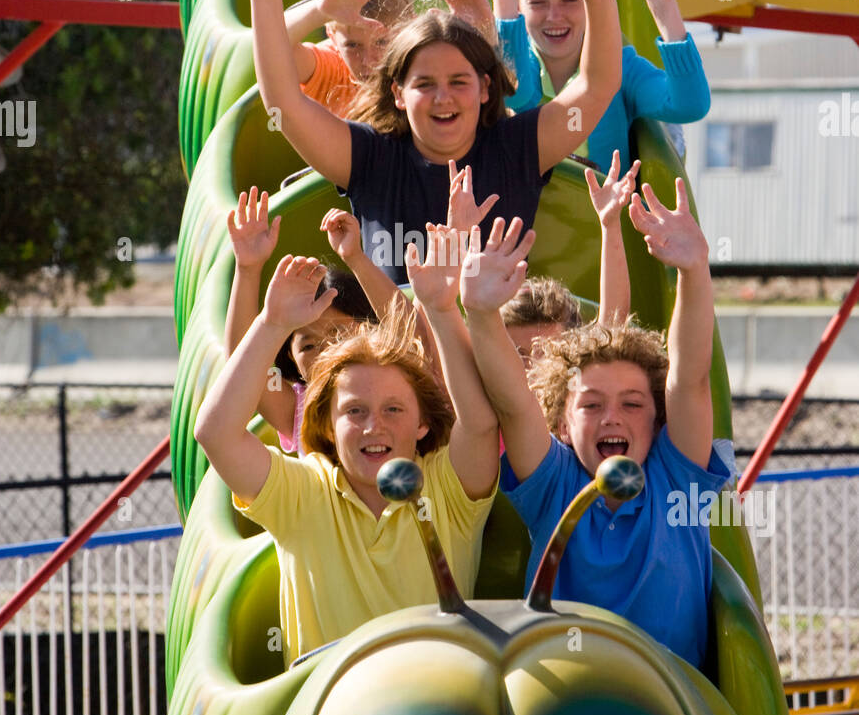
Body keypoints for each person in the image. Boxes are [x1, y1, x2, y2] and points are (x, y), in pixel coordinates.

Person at [217, 0, 622, 283]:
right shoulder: (372, 158)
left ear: (484, 88)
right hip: (398, 359)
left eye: (459, 81)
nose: (442, 97)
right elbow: (283, 105)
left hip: (494, 357)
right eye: (424, 84)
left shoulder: (516, 148)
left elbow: (598, 84)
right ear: (397, 93)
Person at [195, 225, 499, 667]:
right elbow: (215, 433)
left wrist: (440, 308)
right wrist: (272, 323)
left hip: (437, 708)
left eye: (393, 410)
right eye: (354, 412)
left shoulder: (449, 489)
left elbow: (480, 422)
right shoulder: (301, 492)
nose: (374, 426)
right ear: (328, 424)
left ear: (422, 423)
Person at [460, 186, 730, 671]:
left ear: (657, 416)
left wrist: (694, 269)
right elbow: (516, 405)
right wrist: (479, 313)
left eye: (632, 403)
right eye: (591, 405)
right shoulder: (555, 485)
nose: (613, 417)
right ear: (562, 422)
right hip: (569, 699)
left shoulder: (678, 479)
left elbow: (689, 378)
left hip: (668, 704)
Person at [445, 0, 710, 173]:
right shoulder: (521, 59)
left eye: (570, 0)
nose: (554, 16)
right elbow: (516, 93)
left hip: (598, 214)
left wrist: (663, 5)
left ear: (591, 4)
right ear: (520, 9)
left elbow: (689, 105)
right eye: (538, 3)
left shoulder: (622, 68)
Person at [224, 187, 403, 454]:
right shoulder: (297, 408)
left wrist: (354, 257)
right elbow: (242, 363)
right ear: (291, 358)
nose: (325, 350)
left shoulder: (399, 383)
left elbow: (408, 328)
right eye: (307, 346)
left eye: (339, 334)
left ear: (369, 328)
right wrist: (248, 269)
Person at [500, 150, 640, 369]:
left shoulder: (573, 392)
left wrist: (610, 224)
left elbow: (612, 325)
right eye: (520, 356)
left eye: (547, 355)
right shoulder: (486, 397)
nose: (532, 370)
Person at [284, 0, 414, 117]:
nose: (368, 61)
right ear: (332, 36)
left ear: (408, 31)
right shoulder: (330, 70)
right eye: (352, 45)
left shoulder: (419, 61)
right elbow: (271, 42)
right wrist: (319, 11)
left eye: (382, 42)